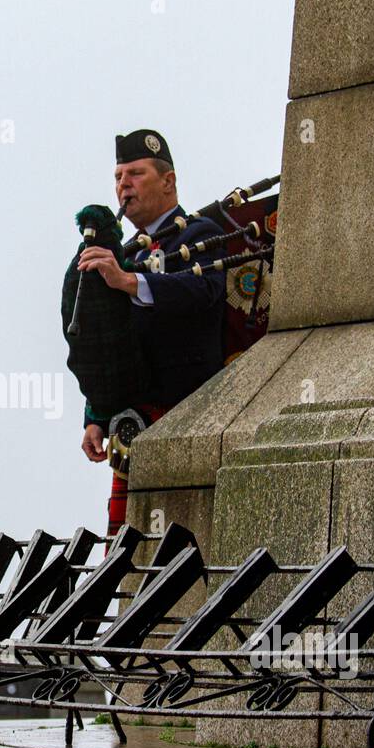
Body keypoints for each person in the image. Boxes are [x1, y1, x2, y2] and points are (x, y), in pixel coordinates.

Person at [72, 130, 227, 533]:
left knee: (176, 552)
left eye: (135, 173)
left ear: (168, 181)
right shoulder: (125, 252)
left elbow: (204, 290)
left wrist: (128, 282)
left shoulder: (200, 233)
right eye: (118, 176)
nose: (124, 184)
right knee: (131, 564)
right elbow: (112, 338)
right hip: (132, 425)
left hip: (187, 411)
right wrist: (97, 414)